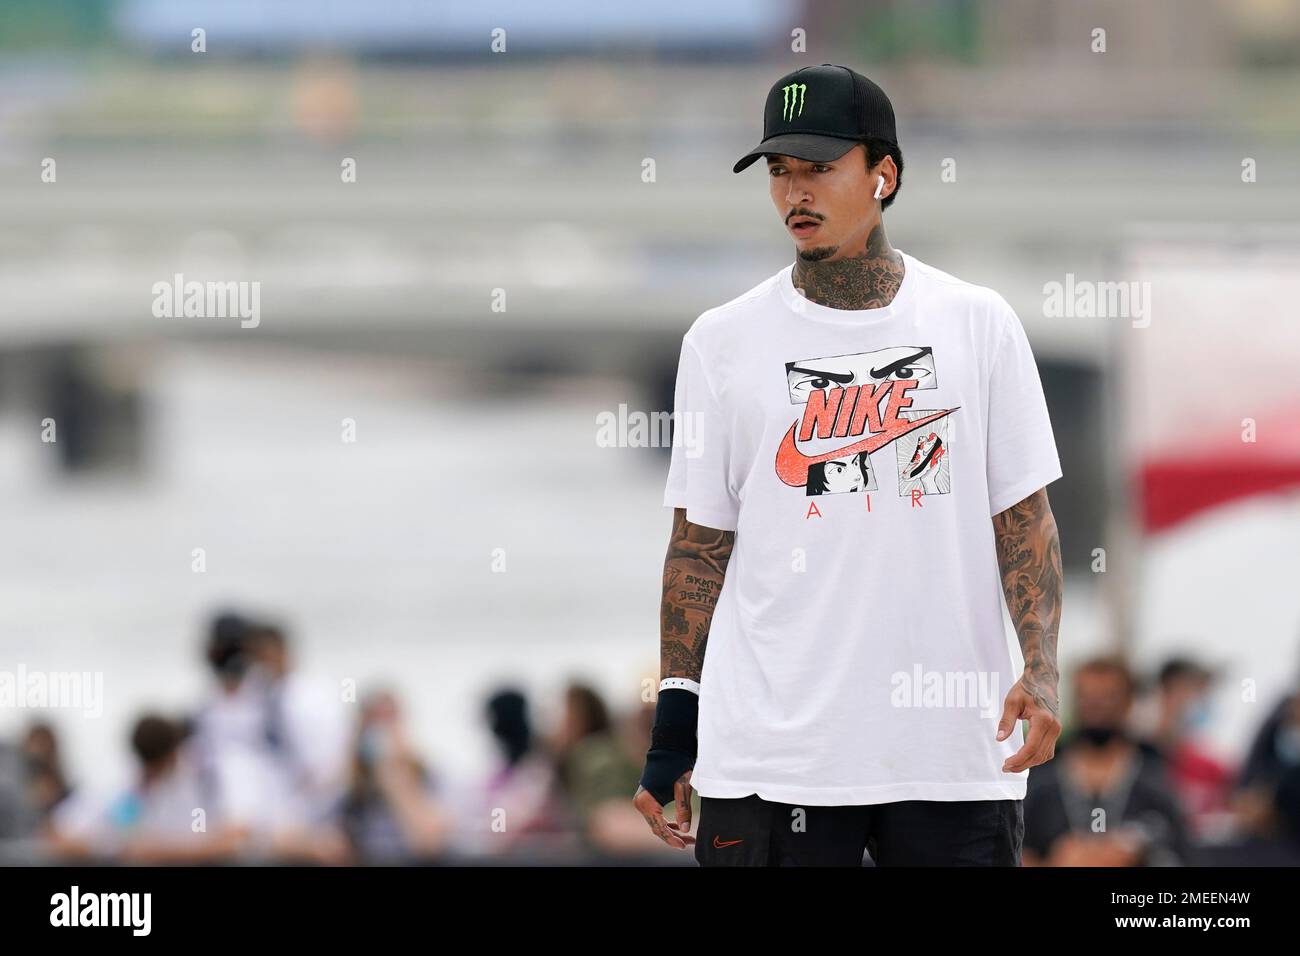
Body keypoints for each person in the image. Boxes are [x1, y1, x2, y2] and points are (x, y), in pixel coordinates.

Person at [633, 64, 1065, 866]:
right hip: (772, 760)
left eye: (820, 167)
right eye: (779, 170)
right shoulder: (721, 343)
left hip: (951, 755)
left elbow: (1024, 520)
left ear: (883, 175)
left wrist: (1041, 671)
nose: (795, 191)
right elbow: (697, 548)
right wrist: (672, 737)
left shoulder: (978, 325)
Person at [1022, 657, 1190, 866]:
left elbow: (1177, 843)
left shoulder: (1154, 774)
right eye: (1087, 697)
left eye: (1108, 698)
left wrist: (1130, 848)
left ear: (1128, 702)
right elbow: (1019, 848)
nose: (1096, 707)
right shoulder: (1044, 773)